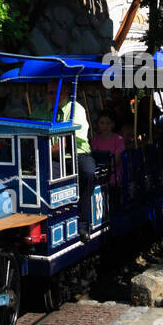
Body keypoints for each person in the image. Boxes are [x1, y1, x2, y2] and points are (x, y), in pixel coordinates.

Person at [41, 81, 95, 239]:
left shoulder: (76, 109)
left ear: (65, 93)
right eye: (49, 93)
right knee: (44, 176)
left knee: (88, 173)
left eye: (54, 93)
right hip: (52, 157)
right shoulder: (42, 110)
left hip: (77, 154)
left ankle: (83, 223)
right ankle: (52, 222)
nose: (51, 96)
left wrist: (50, 149)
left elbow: (67, 142)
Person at [91, 110, 126, 184]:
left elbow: (115, 160)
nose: (105, 126)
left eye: (108, 123)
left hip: (114, 172)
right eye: (102, 123)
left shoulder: (118, 139)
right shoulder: (95, 140)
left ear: (112, 124)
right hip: (100, 172)